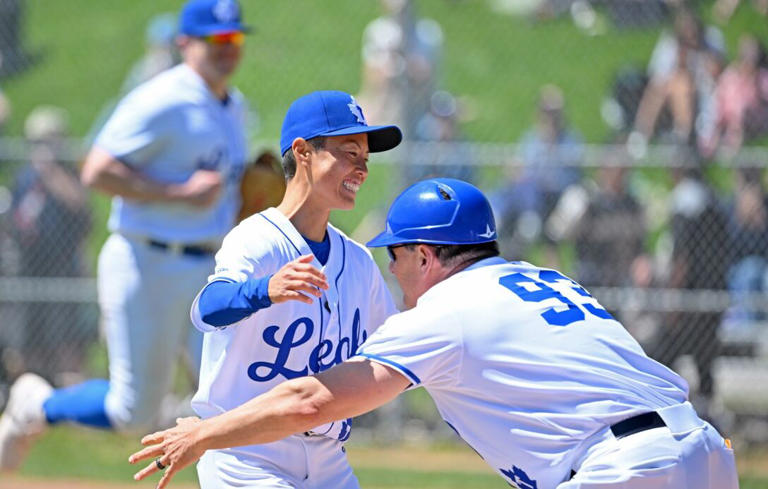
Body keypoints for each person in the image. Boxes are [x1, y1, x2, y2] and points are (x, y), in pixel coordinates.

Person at [130, 178, 739, 489]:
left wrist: (206, 432)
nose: (391, 270)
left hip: (624, 469)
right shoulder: (543, 280)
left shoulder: (445, 311)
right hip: (705, 451)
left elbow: (311, 400)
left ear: (426, 255)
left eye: (396, 255)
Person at [0, 0, 251, 472]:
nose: (226, 49)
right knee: (131, 410)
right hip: (146, 261)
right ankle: (34, 405)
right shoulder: (161, 99)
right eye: (214, 40)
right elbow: (96, 170)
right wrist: (177, 192)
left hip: (208, 267)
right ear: (184, 43)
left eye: (233, 39)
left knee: (232, 394)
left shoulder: (233, 106)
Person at [179, 90, 400, 488]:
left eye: (365, 158)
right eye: (350, 152)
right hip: (246, 455)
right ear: (303, 152)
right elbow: (207, 309)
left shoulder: (359, 263)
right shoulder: (258, 240)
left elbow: (398, 343)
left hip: (329, 457)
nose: (361, 169)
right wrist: (265, 290)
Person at [8, 106, 92, 382]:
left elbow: (82, 212)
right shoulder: (24, 176)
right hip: (29, 261)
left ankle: (67, 380)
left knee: (65, 328)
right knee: (29, 327)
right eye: (38, 142)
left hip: (62, 263)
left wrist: (52, 173)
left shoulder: (68, 174)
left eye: (49, 141)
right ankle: (31, 381)